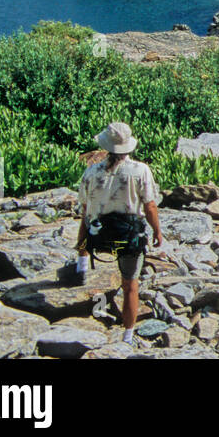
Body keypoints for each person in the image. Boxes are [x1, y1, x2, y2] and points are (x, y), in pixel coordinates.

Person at [76, 121, 164, 346]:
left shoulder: (91, 171)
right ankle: (127, 334)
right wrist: (157, 231)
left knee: (87, 218)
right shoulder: (140, 170)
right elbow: (150, 206)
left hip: (98, 235)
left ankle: (81, 263)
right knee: (130, 284)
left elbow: (85, 208)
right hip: (127, 236)